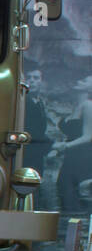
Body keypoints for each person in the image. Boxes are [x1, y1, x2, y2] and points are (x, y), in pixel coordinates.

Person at [53, 75, 92, 214]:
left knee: (73, 194)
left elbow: (89, 136)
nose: (78, 80)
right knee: (65, 191)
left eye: (84, 80)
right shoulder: (76, 105)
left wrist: (64, 146)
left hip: (83, 157)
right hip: (71, 156)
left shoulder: (88, 105)